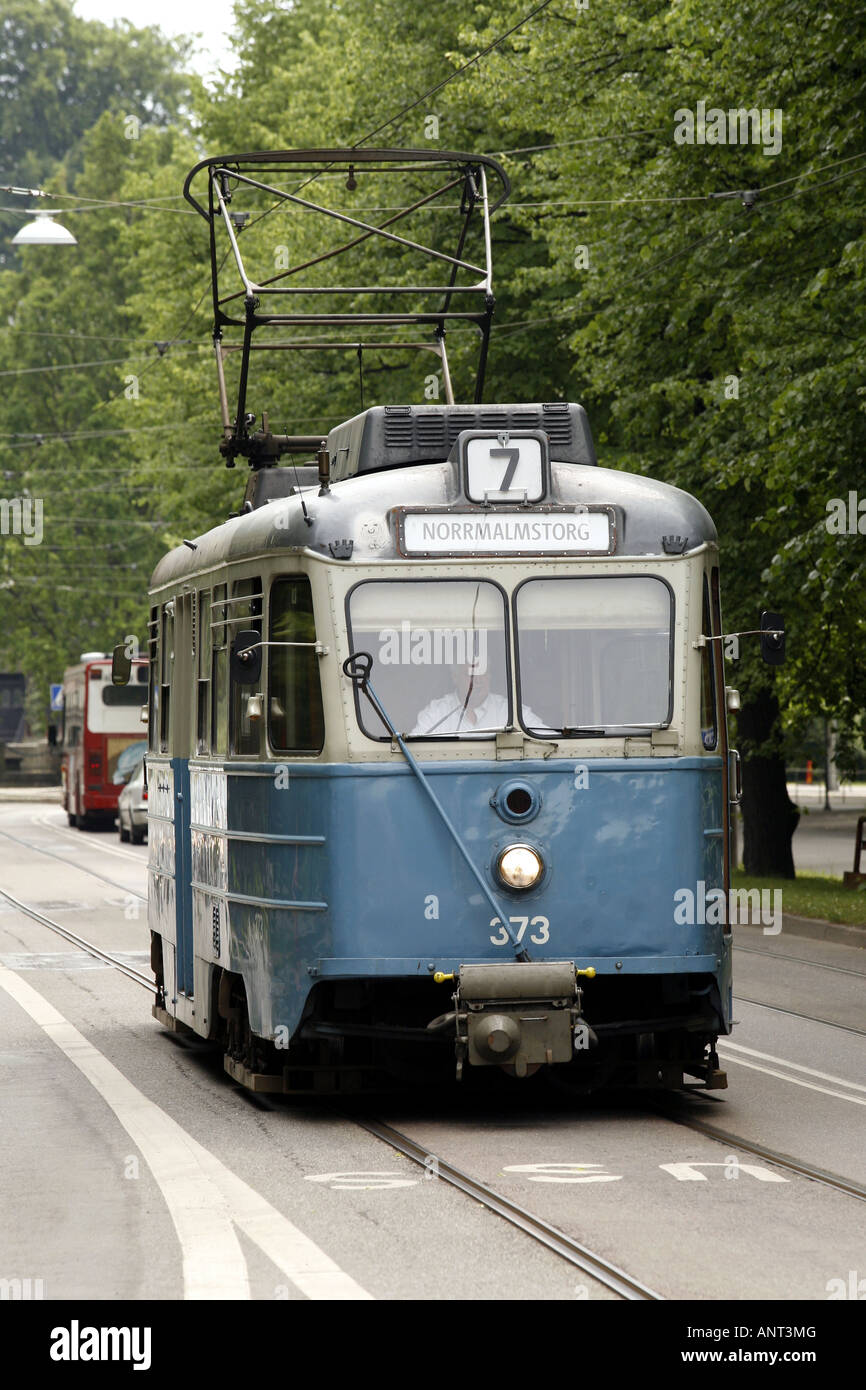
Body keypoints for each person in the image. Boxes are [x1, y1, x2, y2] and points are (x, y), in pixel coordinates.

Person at [411, 661, 544, 736]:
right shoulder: (437, 712)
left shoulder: (509, 711)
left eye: (483, 674)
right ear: (455, 678)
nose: (478, 681)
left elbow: (547, 739)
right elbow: (415, 749)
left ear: (490, 676)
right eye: (471, 675)